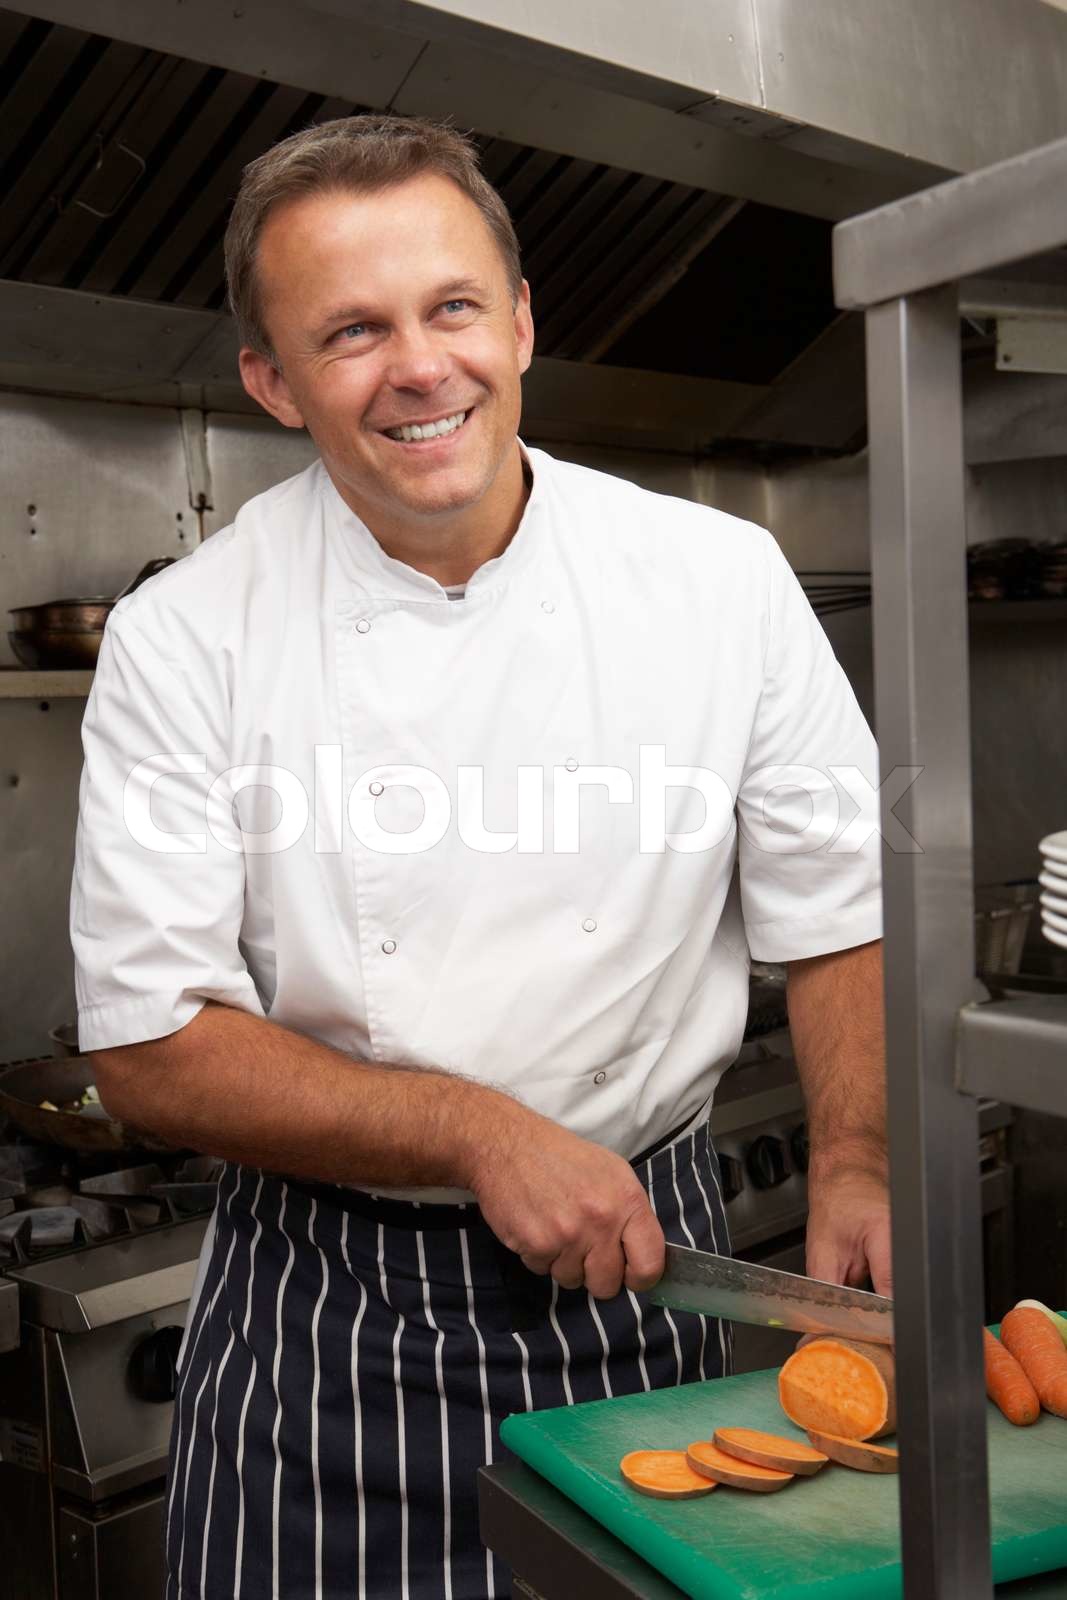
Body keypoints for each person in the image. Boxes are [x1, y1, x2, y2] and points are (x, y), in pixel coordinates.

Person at [71, 115, 890, 1600]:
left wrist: (857, 1151)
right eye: (351, 332)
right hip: (331, 1315)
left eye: (452, 307)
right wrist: (477, 1131)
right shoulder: (188, 634)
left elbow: (836, 908)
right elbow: (148, 1047)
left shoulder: (714, 580)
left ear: (520, 319)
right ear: (271, 381)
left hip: (652, 1271)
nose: (420, 367)